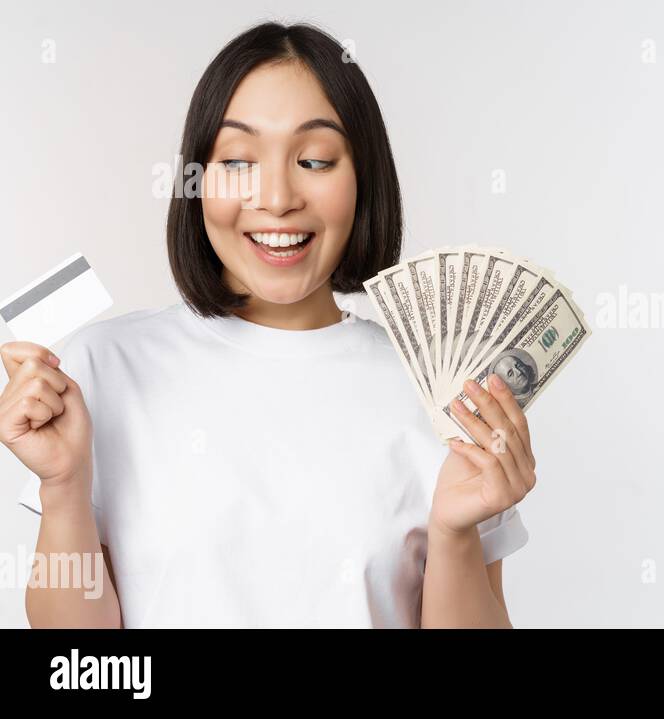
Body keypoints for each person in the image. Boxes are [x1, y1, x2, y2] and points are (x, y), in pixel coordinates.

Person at [0, 21, 538, 628]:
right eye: (237, 161)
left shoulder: (444, 393)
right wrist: (63, 486)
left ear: (363, 181)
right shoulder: (108, 364)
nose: (277, 197)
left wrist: (454, 533)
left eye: (314, 159)